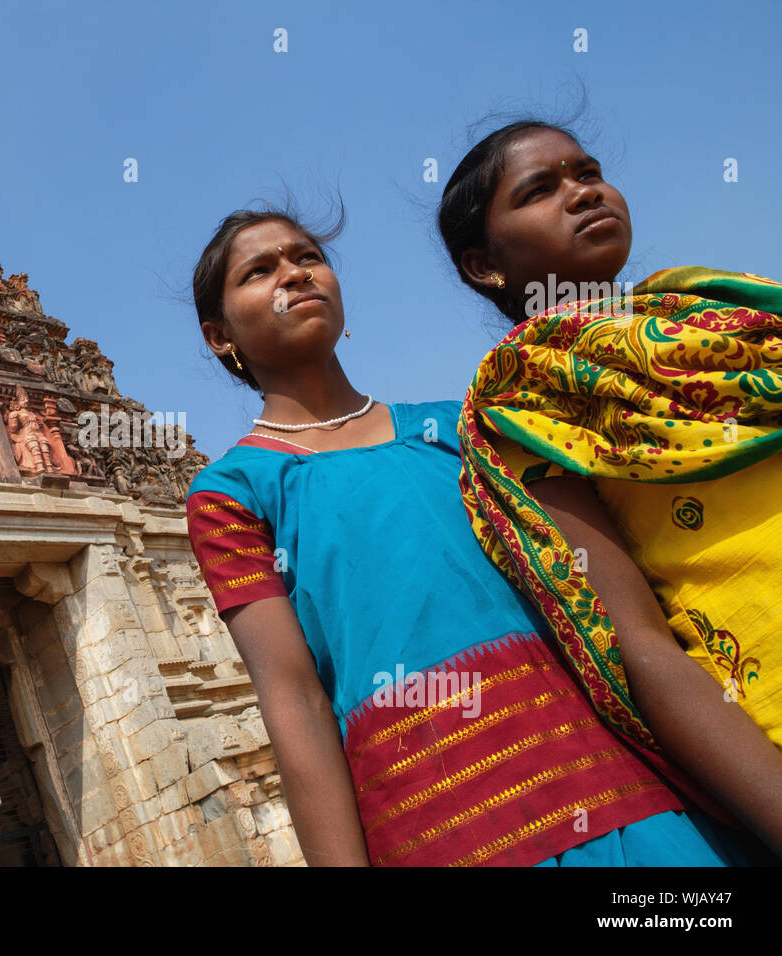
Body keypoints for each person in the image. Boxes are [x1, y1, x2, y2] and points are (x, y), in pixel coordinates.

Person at [184, 201, 765, 866]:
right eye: (260, 271)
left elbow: (609, 602)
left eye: (308, 257)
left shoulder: (465, 427)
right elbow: (295, 700)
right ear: (218, 335)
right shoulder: (233, 494)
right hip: (436, 823)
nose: (295, 275)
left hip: (612, 782)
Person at [438, 120, 782, 856]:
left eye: (586, 170)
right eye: (539, 189)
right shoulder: (526, 405)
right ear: (482, 264)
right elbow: (640, 649)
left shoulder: (729, 314)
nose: (582, 191)